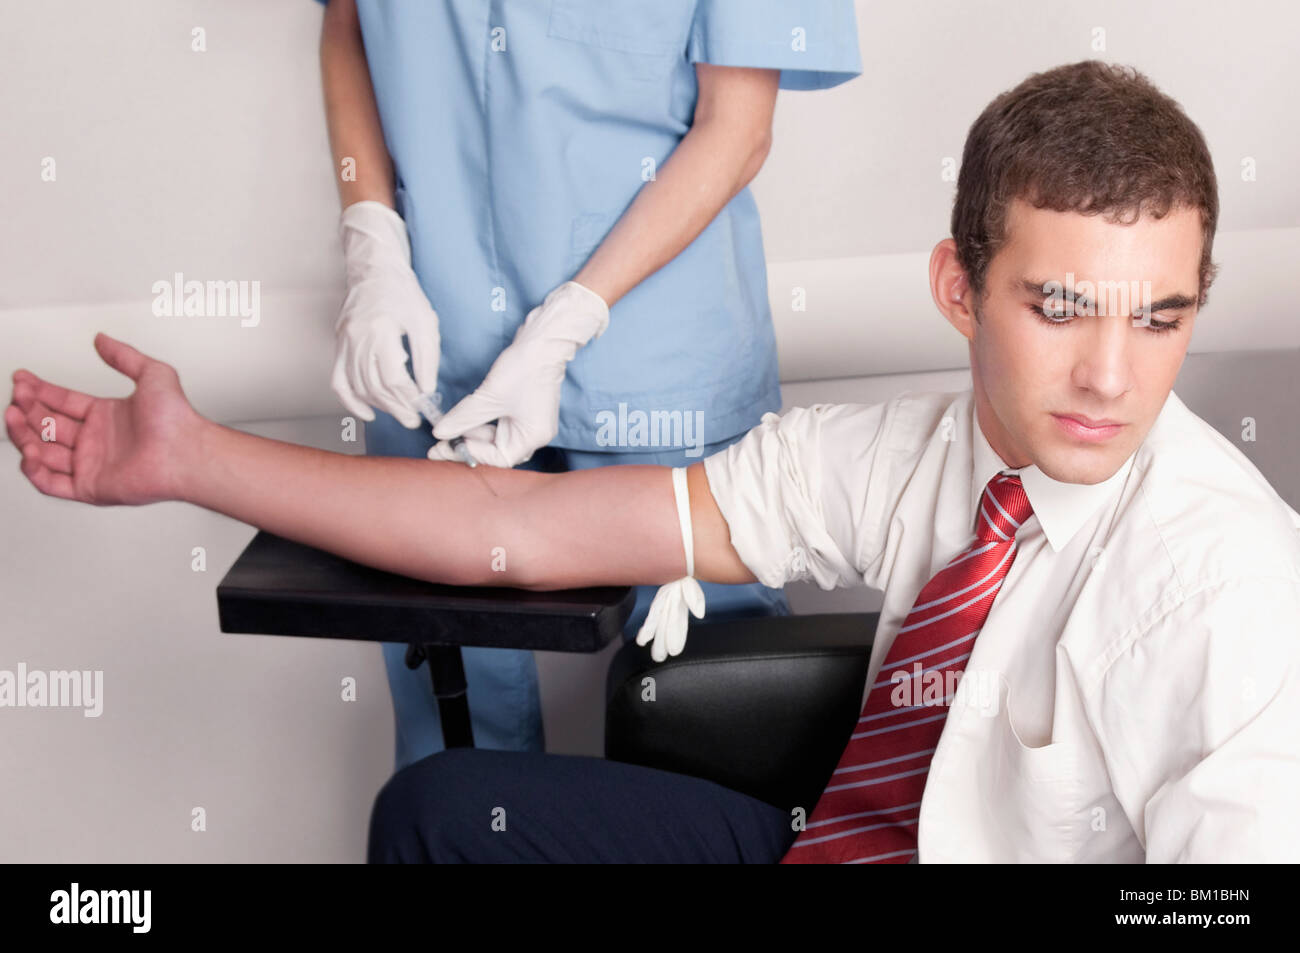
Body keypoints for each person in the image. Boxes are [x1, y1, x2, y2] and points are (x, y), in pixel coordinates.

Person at [9, 61, 1300, 863]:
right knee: (444, 814)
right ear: (958, 289)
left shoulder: (1228, 588)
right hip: (857, 845)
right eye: (1062, 307)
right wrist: (192, 457)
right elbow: (518, 529)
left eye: (1160, 315)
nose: (1112, 376)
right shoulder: (916, 458)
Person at [315, 0, 863, 768]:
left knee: (712, 717)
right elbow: (348, 25)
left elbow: (736, 127)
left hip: (657, 357)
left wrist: (571, 317)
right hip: (432, 351)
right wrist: (371, 240)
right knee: (456, 734)